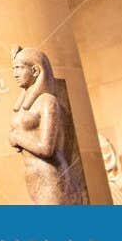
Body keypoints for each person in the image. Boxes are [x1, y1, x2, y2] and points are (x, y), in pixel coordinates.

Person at [8, 45, 87, 204]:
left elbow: (46, 148)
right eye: (13, 69)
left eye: (19, 68)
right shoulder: (26, 103)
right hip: (32, 176)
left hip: (50, 175)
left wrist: (17, 138)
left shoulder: (47, 101)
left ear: (35, 71)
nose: (14, 74)